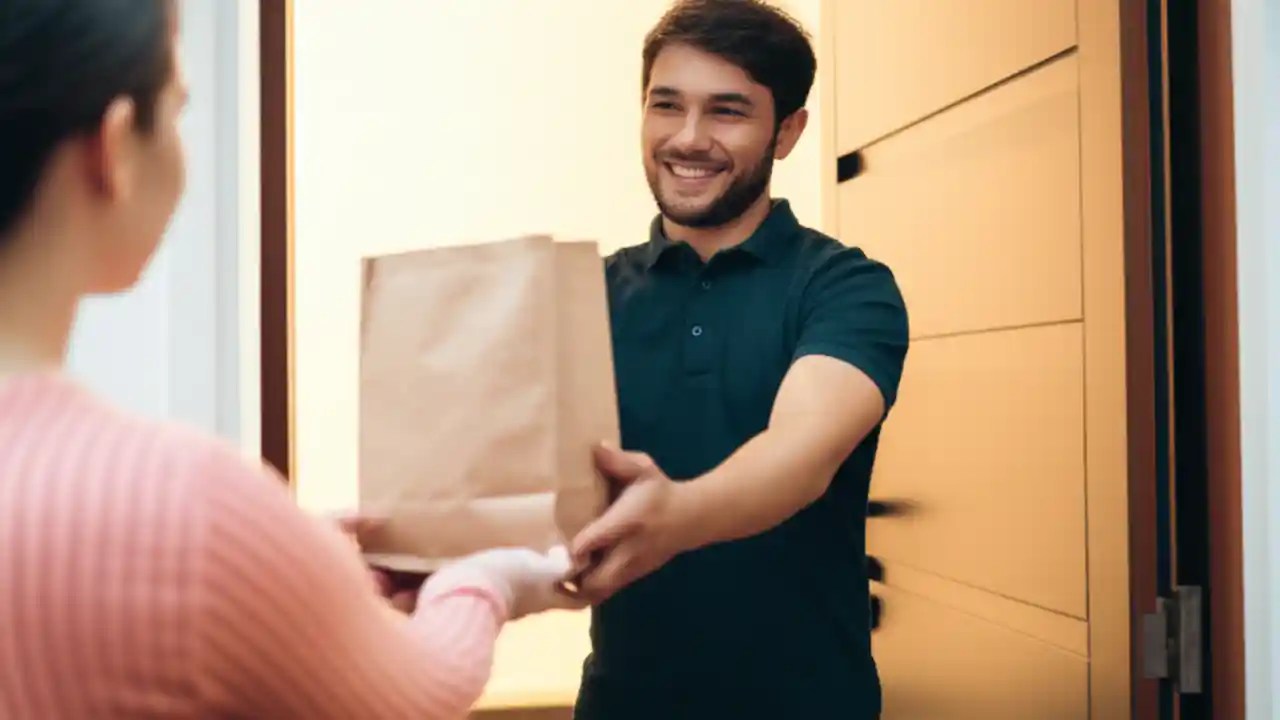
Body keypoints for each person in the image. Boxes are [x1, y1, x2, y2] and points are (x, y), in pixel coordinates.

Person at [0, 2, 581, 718]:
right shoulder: (188, 512)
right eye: (176, 114)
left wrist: (287, 575)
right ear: (113, 148)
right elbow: (418, 697)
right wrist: (485, 584)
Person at [567, 1, 909, 717]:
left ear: (787, 132)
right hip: (620, 701)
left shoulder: (845, 287)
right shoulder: (582, 295)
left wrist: (676, 516)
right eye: (667, 106)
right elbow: (524, 483)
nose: (688, 139)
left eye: (727, 112)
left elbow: (800, 452)